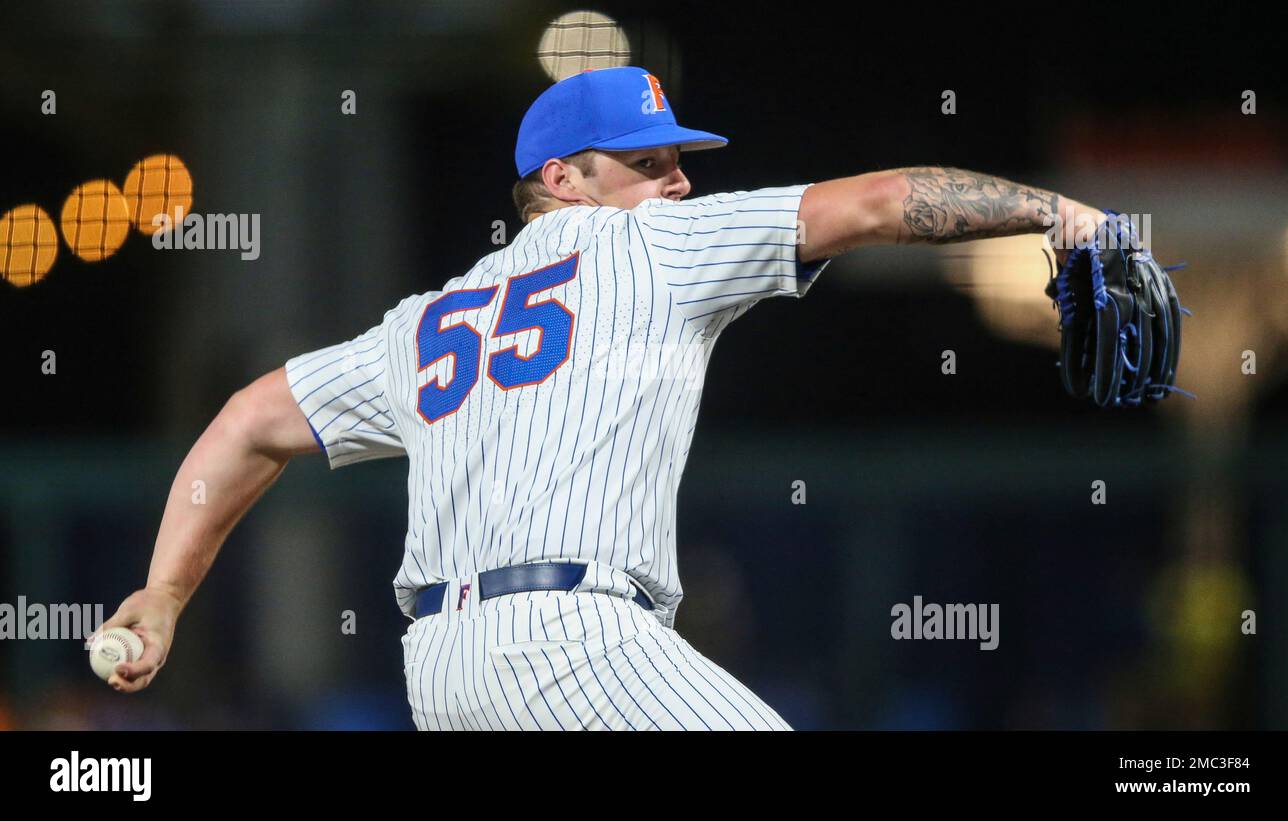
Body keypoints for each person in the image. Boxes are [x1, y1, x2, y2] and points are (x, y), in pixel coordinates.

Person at [101, 66, 1106, 730]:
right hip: (570, 639)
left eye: (677, 160)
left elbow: (245, 421)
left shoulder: (422, 322)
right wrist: (1054, 211)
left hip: (442, 671)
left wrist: (166, 590)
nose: (674, 182)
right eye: (646, 161)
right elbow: (880, 203)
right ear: (562, 177)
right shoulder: (653, 247)